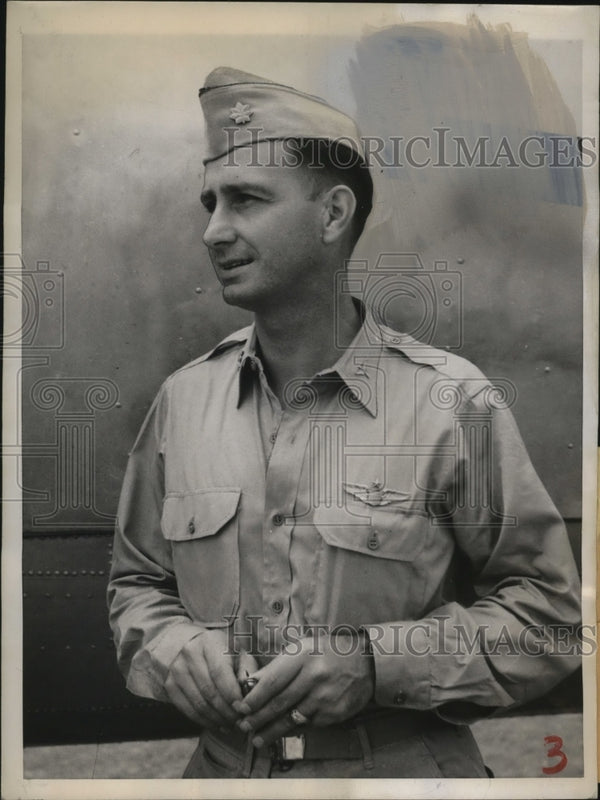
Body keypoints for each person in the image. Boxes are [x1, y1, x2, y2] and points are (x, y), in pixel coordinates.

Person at [107, 66, 581, 779]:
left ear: (332, 216)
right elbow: (136, 588)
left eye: (245, 200)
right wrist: (175, 648)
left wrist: (374, 662)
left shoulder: (450, 403)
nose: (213, 231)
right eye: (210, 203)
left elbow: (550, 619)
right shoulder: (184, 402)